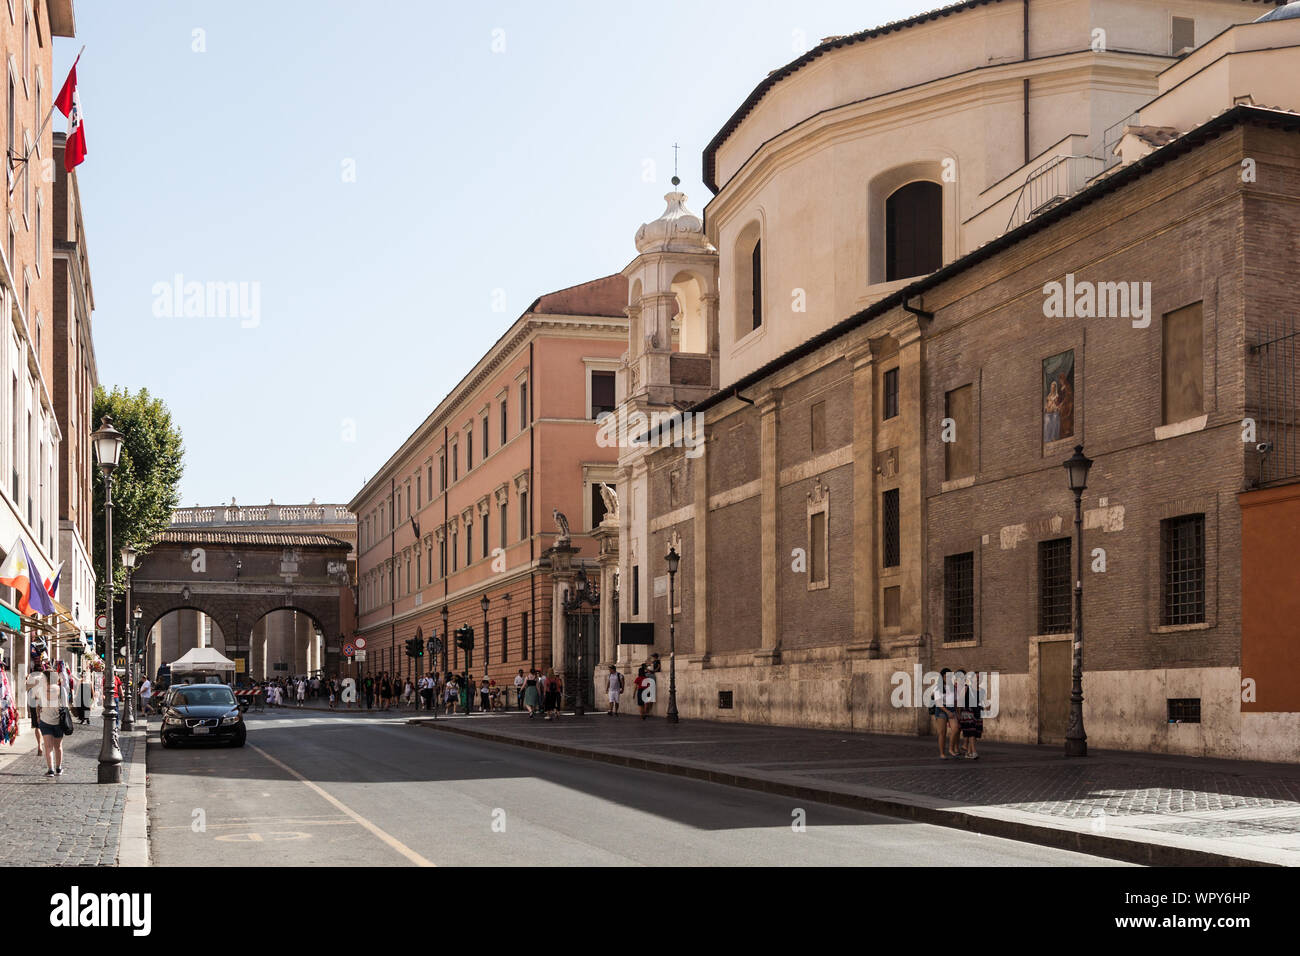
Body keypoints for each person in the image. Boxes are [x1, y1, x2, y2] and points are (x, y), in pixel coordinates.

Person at [32, 664, 69, 776]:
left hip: (45, 721)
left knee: (48, 747)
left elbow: (37, 705)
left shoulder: (40, 690)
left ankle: (51, 770)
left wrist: (38, 716)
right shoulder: (61, 690)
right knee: (58, 747)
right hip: (58, 722)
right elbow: (65, 706)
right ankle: (58, 768)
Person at [933, 668, 960, 759]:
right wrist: (947, 712)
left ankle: (951, 749)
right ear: (942, 677)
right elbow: (938, 703)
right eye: (945, 676)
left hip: (952, 709)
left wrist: (957, 712)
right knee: (942, 733)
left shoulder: (952, 687)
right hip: (941, 710)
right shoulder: (938, 687)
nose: (947, 678)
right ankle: (942, 753)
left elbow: (955, 701)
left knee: (956, 728)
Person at [25, 662, 45, 757]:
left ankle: (39, 745)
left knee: (37, 726)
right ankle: (46, 743)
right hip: (44, 703)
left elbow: (25, 688)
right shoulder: (45, 677)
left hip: (34, 702)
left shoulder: (32, 678)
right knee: (45, 724)